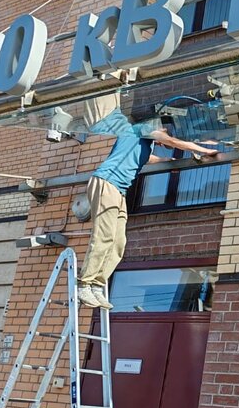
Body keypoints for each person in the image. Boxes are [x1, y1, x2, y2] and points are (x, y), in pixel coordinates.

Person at [77, 93, 218, 310]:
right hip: (107, 182)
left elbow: (153, 158)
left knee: (118, 242)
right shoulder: (140, 128)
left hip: (118, 190)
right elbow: (168, 141)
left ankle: (96, 284)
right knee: (104, 235)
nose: (167, 137)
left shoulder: (142, 145)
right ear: (160, 127)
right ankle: (84, 283)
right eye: (167, 132)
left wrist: (174, 158)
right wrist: (201, 148)